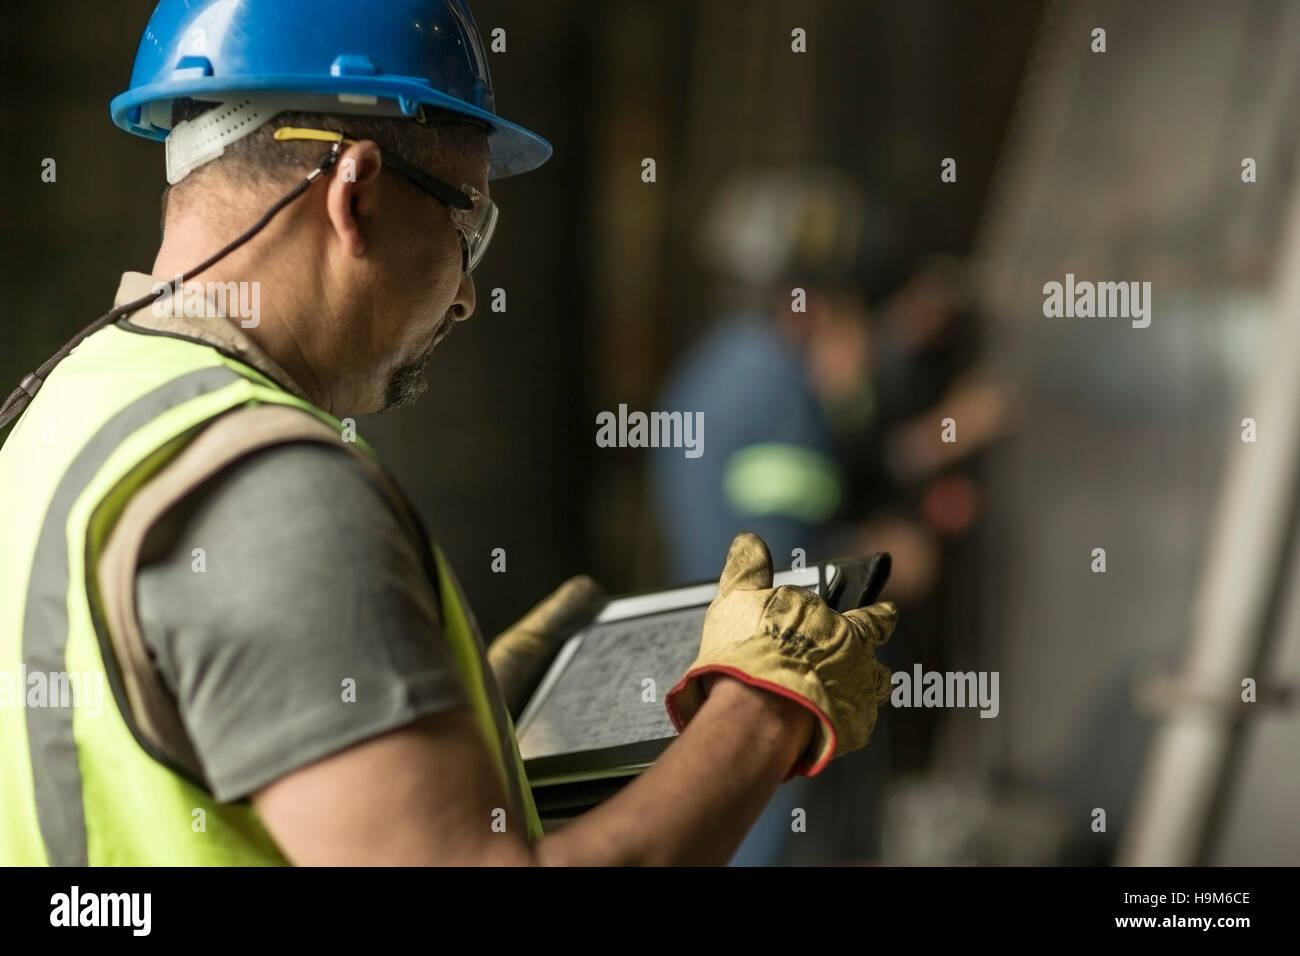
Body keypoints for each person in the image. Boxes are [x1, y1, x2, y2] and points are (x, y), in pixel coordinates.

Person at [0, 0, 898, 866]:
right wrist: (763, 710)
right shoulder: (264, 483)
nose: (467, 291)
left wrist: (439, 716)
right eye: (468, 223)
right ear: (355, 192)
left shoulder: (65, 408)